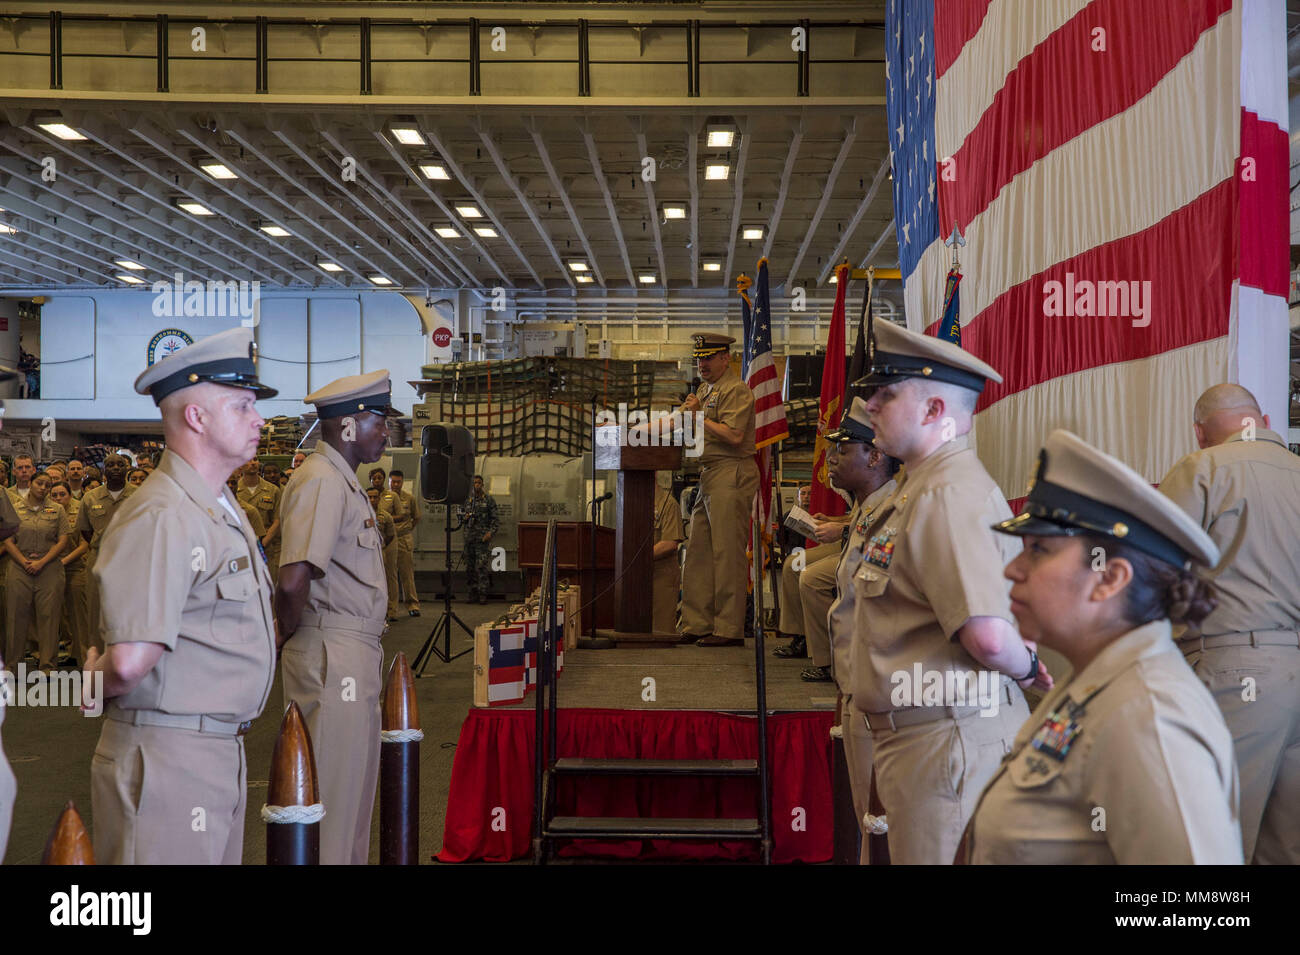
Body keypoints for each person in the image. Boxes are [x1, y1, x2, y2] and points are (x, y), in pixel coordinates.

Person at [965, 430, 1243, 863]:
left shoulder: (1148, 717)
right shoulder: (1098, 681)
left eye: (1038, 549)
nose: (1013, 570)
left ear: (1110, 578)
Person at [849, 319, 1048, 864]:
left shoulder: (948, 493)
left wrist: (1029, 671)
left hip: (948, 738)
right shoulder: (918, 489)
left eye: (885, 395)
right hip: (921, 739)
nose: (869, 406)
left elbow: (986, 636)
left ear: (935, 411)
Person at [85, 327, 278, 864]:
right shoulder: (165, 515)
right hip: (170, 756)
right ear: (196, 417)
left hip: (211, 749)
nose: (259, 418)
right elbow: (126, 664)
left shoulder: (216, 507)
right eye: (242, 405)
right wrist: (88, 683)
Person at [1158, 383, 1300, 864]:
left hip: (1236, 672)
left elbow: (1159, 568)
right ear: (1260, 417)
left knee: (1212, 834)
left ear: (1199, 432)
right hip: (1295, 673)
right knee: (1285, 842)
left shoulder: (1202, 469)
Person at [276, 369, 397, 865]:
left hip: (351, 650)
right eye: (380, 421)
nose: (386, 433)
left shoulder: (342, 482)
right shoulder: (323, 480)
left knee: (350, 799)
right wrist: (281, 641)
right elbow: (292, 579)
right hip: (332, 652)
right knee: (331, 802)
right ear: (348, 425)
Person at [821, 398, 900, 858]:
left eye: (842, 449)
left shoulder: (890, 519)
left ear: (874, 455)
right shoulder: (868, 513)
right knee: (861, 824)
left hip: (881, 700)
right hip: (856, 692)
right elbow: (849, 612)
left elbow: (888, 621)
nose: (831, 458)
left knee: (879, 827)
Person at [677, 332, 757, 647]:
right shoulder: (704, 390)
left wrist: (698, 417)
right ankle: (697, 623)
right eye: (700, 358)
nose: (703, 363)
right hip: (708, 473)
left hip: (731, 472)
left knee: (727, 554)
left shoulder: (736, 390)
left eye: (709, 357)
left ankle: (728, 628)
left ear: (726, 357)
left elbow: (735, 436)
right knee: (698, 552)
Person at [3, 472, 69, 671]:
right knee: (15, 617)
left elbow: (63, 540)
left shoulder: (57, 510)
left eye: (47, 485)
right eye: (39, 483)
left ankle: (47, 665)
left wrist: (42, 562)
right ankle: (13, 666)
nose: (43, 488)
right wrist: (24, 561)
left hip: (49, 568)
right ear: (30, 484)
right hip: (19, 566)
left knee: (49, 618)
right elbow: (7, 539)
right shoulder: (14, 509)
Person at [76, 453, 135, 654]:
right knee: (95, 610)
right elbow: (86, 530)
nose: (116, 468)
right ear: (104, 470)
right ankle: (97, 659)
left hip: (131, 560)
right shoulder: (90, 497)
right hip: (99, 558)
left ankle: (127, 659)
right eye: (111, 465)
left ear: (127, 468)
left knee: (130, 609)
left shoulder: (140, 495)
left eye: (120, 464)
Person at [50, 481, 90, 667]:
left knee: (78, 617)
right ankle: (71, 653)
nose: (58, 498)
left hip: (75, 568)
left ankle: (84, 660)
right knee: (62, 617)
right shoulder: (49, 512)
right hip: (52, 570)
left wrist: (63, 562)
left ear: (70, 495)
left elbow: (84, 545)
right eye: (54, 495)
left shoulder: (80, 509)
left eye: (62, 494)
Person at [237, 459, 281, 584]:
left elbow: (277, 520)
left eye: (255, 460)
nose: (253, 463)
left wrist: (262, 544)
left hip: (266, 548)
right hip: (241, 547)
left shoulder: (273, 490)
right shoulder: (234, 488)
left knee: (268, 588)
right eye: (248, 460)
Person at [385, 469, 421, 618]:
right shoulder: (383, 498)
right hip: (388, 539)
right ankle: (390, 608)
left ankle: (412, 604)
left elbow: (417, 517)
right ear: (389, 482)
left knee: (407, 573)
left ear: (402, 482)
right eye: (393, 481)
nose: (395, 484)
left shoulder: (409, 498)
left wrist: (407, 529)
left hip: (403, 538)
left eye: (398, 482)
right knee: (389, 574)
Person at [651, 477, 685, 635]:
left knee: (661, 632)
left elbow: (670, 543)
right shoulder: (634, 502)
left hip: (661, 576)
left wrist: (635, 559)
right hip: (636, 577)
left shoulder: (668, 504)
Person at [460, 474, 499, 604]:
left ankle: (483, 594)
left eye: (478, 483)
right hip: (469, 539)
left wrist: (490, 533)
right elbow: (460, 516)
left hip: (482, 539)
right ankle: (472, 593)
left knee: (481, 567)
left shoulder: (488, 500)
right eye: (475, 483)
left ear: (482, 485)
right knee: (469, 567)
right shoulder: (468, 500)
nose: (476, 485)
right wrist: (463, 518)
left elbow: (495, 520)